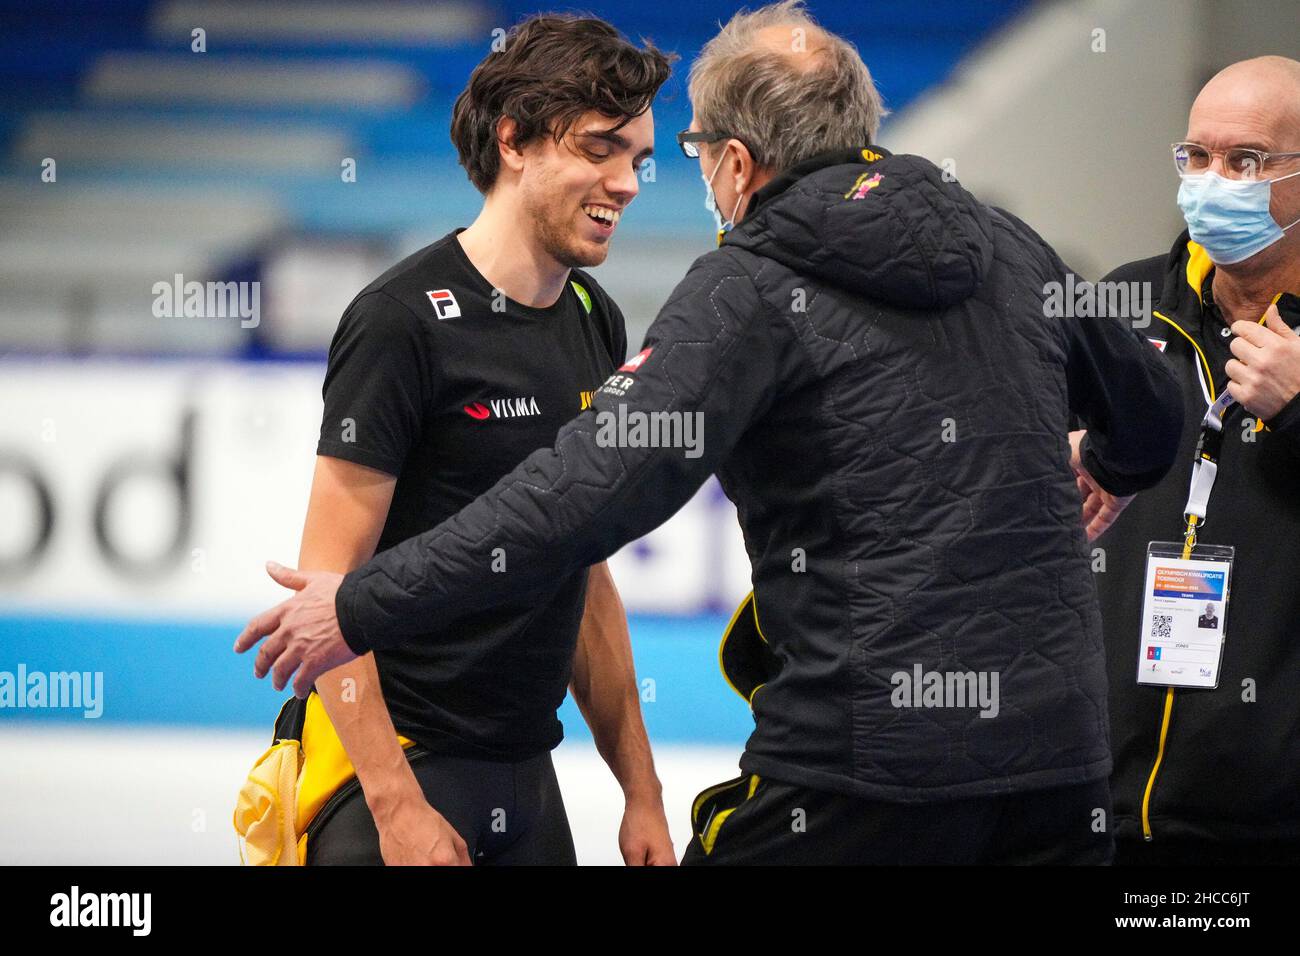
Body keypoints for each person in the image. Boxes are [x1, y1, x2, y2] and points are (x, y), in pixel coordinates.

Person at [236, 0, 1184, 865]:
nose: (639, 183)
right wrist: (1109, 461)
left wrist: (359, 606)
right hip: (1059, 774)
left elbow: (585, 498)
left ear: (736, 163)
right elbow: (1156, 409)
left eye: (664, 158)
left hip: (855, 776)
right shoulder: (1013, 245)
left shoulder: (744, 287)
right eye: (604, 151)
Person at [242, 13, 675, 866]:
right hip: (392, 775)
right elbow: (328, 593)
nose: (626, 182)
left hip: (527, 775)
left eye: (640, 160)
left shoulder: (596, 319)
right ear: (514, 142)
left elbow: (585, 577)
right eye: (600, 149)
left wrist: (643, 794)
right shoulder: (400, 320)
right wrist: (394, 806)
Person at [1079, 56, 1300, 866]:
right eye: (1196, 157)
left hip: (1269, 827)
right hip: (1100, 812)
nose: (1213, 181)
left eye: (1245, 161)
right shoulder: (1120, 308)